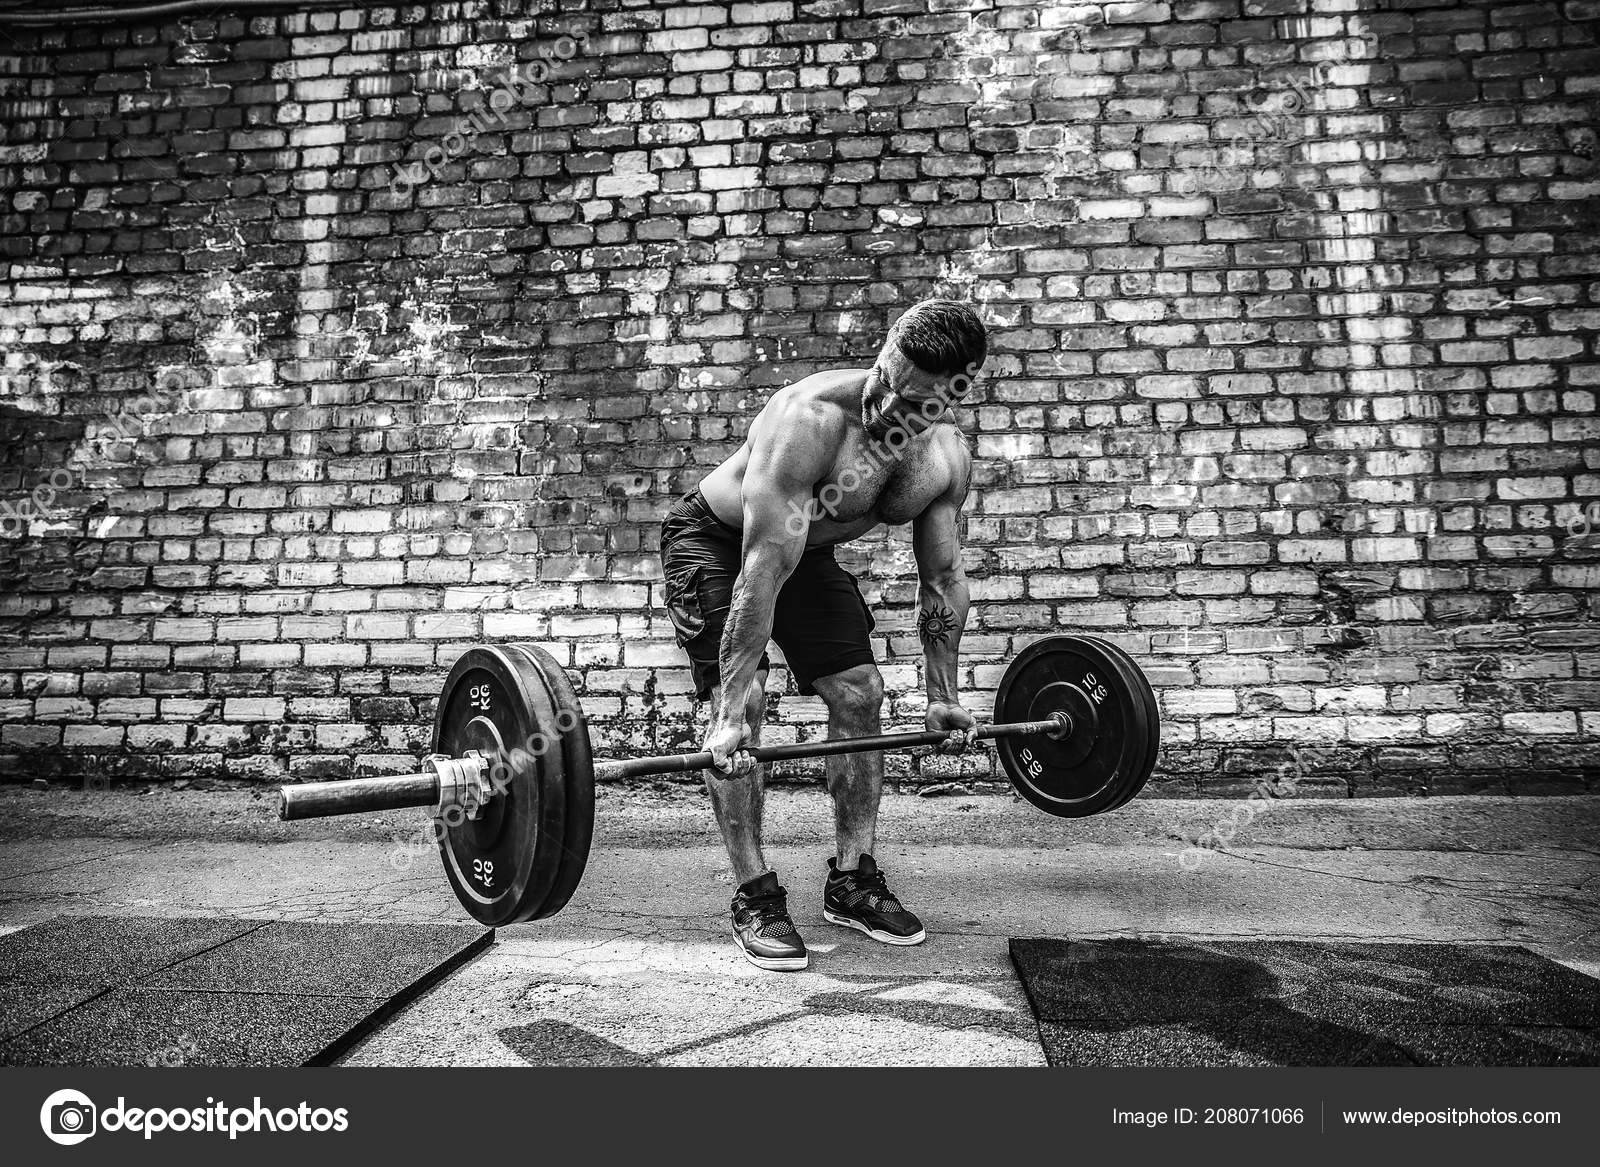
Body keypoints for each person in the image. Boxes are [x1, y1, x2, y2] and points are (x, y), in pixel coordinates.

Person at [658, 299, 988, 970]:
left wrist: (943, 696)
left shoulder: (945, 459)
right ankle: (755, 894)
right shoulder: (807, 420)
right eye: (883, 377)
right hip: (720, 542)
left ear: (952, 394)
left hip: (803, 552)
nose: (883, 402)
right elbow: (761, 569)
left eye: (909, 400)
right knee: (747, 703)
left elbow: (942, 578)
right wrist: (728, 712)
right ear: (884, 352)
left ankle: (852, 879)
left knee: (861, 691)